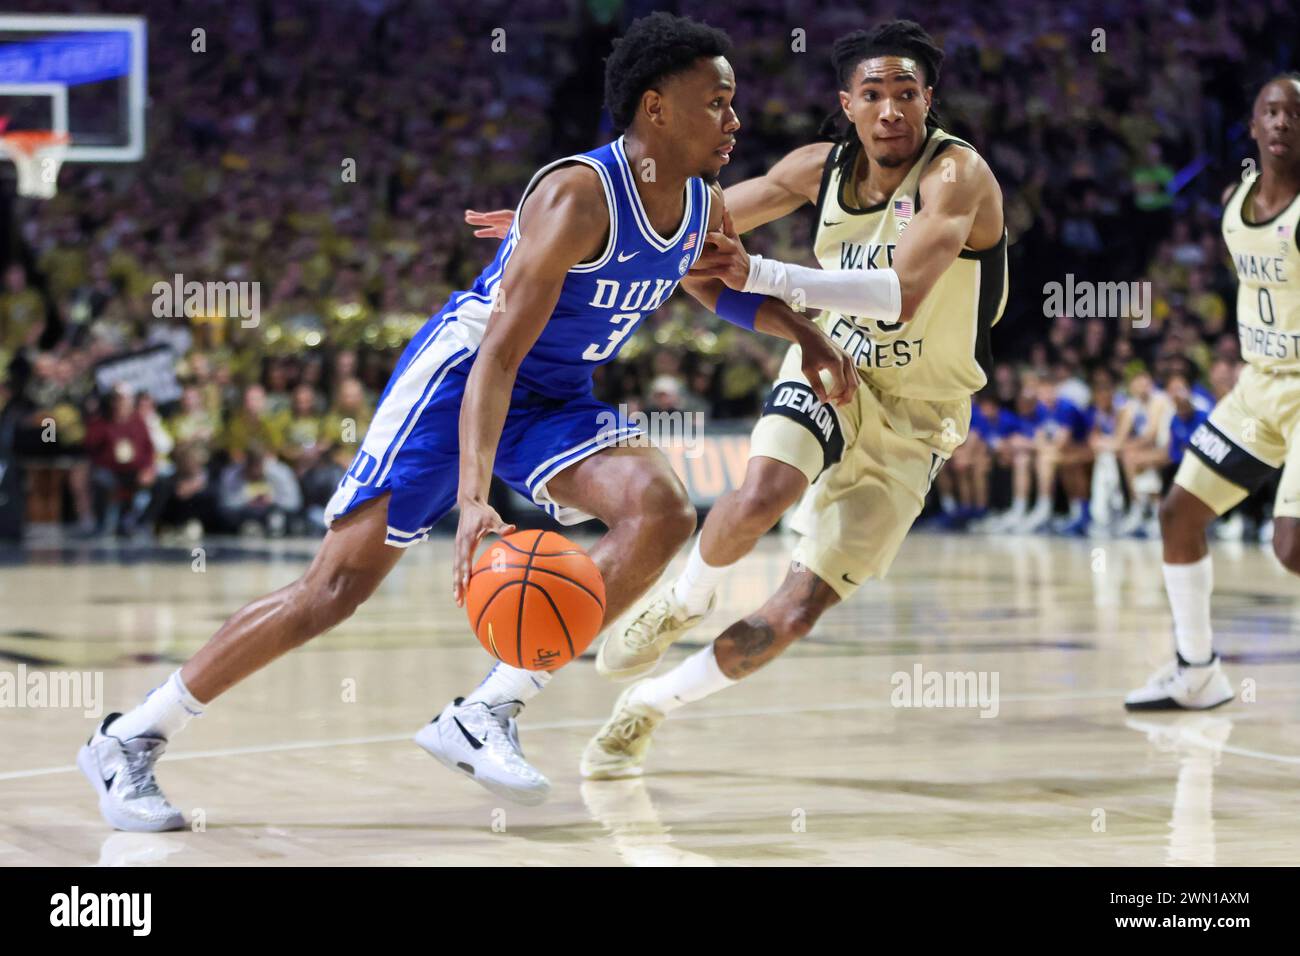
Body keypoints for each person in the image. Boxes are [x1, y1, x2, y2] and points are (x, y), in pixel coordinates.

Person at [76, 13, 853, 831]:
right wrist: (476, 498)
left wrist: (805, 334)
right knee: (334, 589)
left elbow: (710, 285)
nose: (735, 122)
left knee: (659, 511)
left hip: (553, 395)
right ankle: (133, 736)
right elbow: (495, 359)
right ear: (656, 107)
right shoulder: (577, 197)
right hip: (462, 379)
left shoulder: (699, 203)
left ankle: (487, 710)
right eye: (717, 104)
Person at [579, 20, 1007, 778]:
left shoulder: (956, 177)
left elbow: (900, 295)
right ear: (847, 102)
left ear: (927, 99)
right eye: (872, 94)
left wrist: (764, 276)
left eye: (905, 93)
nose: (889, 110)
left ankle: (648, 707)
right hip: (834, 362)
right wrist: (557, 224)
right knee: (763, 491)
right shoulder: (818, 167)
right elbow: (688, 220)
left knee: (798, 610)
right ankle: (683, 598)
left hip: (919, 419)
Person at [1126, 73, 1300, 711]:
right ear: (1253, 128)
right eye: (1271, 112)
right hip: (1259, 387)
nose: (1283, 123)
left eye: (1295, 114)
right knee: (1179, 513)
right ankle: (1197, 672)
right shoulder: (1235, 201)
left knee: (1291, 548)